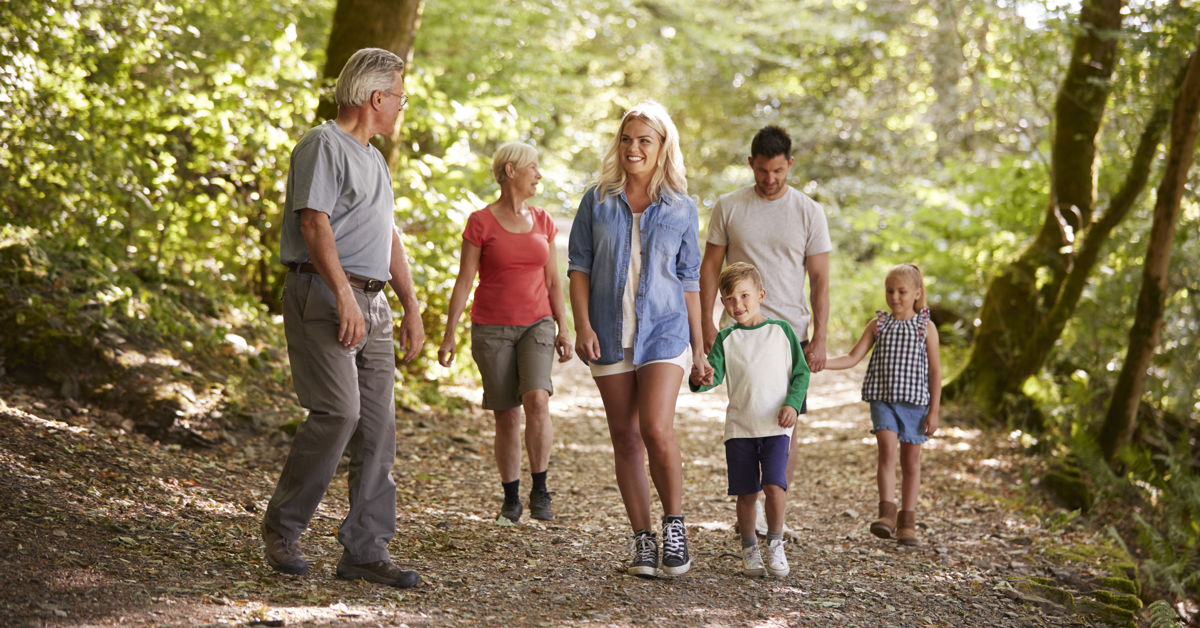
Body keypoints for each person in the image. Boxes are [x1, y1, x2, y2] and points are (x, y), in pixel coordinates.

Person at [263, 48, 425, 588]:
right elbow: (314, 223)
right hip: (324, 294)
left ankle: (365, 549)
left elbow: (389, 236)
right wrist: (344, 295)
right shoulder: (322, 144)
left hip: (372, 302)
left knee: (378, 428)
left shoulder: (375, 158)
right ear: (376, 98)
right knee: (338, 413)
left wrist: (409, 305)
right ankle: (283, 527)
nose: (401, 105)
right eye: (399, 96)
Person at [567, 101, 711, 578]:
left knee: (655, 428)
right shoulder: (596, 200)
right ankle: (643, 539)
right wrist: (583, 325)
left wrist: (700, 348)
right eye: (627, 139)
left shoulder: (681, 207)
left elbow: (689, 278)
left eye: (644, 140)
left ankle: (674, 526)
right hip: (609, 332)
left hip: (665, 332)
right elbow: (579, 267)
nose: (634, 148)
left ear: (662, 147)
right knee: (625, 437)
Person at [699, 124, 831, 535]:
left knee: (786, 423)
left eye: (777, 171)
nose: (770, 179)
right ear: (750, 163)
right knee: (747, 416)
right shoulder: (729, 207)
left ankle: (775, 514)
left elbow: (820, 279)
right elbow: (709, 269)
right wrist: (706, 323)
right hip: (740, 334)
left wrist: (820, 337)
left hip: (790, 334)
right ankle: (750, 508)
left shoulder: (809, 211)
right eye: (761, 170)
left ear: (789, 164)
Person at [438, 142, 573, 525]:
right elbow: (465, 280)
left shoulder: (543, 221)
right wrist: (449, 333)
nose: (539, 175)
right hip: (491, 328)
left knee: (537, 398)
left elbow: (553, 281)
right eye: (533, 167)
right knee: (506, 415)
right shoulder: (480, 222)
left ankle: (540, 489)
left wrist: (564, 327)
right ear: (510, 170)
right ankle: (511, 497)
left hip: (537, 323)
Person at [690, 263, 809, 577]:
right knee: (746, 493)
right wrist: (700, 378)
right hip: (740, 428)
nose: (738, 304)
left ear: (761, 295)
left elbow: (801, 373)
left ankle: (775, 543)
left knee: (775, 485)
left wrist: (793, 405)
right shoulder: (726, 339)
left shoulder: (782, 332)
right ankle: (749, 548)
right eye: (730, 299)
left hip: (776, 427)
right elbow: (713, 375)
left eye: (744, 295)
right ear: (723, 302)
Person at [825, 263, 941, 545]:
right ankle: (886, 515)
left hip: (915, 405)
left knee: (910, 462)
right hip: (882, 400)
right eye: (890, 291)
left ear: (917, 293)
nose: (895, 297)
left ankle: (907, 523)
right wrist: (820, 362)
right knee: (887, 453)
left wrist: (934, 411)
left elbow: (935, 372)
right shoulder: (878, 324)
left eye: (902, 291)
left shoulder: (926, 327)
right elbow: (852, 357)